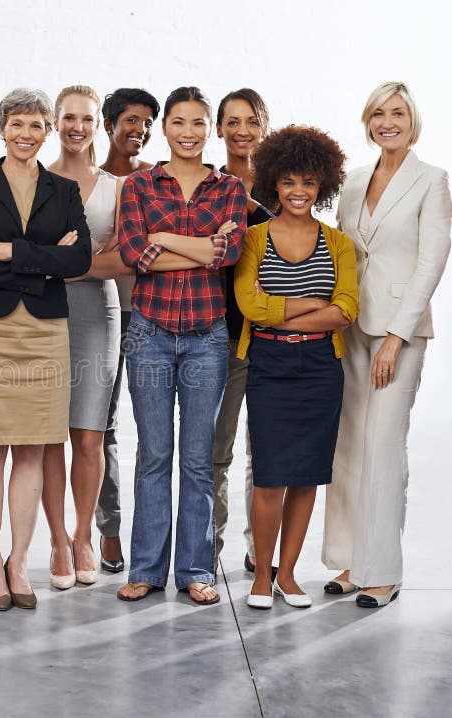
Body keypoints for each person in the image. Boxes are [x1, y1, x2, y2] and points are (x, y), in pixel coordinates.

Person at [0, 88, 91, 611]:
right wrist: (41, 260)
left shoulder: (63, 188)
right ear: (2, 127)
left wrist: (11, 252)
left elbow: (78, 259)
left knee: (33, 448)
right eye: (17, 124)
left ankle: (19, 561)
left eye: (37, 125)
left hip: (45, 334)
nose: (26, 134)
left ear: (47, 131)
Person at [322, 82, 452, 608]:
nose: (387, 122)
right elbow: (340, 251)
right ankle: (353, 561)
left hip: (399, 332)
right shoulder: (353, 182)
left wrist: (397, 336)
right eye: (378, 113)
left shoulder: (432, 181)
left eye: (397, 113)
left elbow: (431, 262)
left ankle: (385, 571)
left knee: (382, 446)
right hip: (351, 325)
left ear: (412, 119)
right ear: (367, 121)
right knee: (349, 446)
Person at [116, 86, 246, 605]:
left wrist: (164, 239)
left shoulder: (229, 188)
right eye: (178, 122)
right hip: (149, 333)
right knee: (153, 455)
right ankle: (145, 568)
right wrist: (196, 247)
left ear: (209, 130)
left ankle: (196, 569)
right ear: (165, 128)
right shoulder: (139, 185)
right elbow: (132, 253)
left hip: (206, 337)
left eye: (198, 123)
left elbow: (229, 253)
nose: (188, 132)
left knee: (197, 459)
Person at [235, 125, 358, 609]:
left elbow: (347, 308)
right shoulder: (252, 238)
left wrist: (287, 306)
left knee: (306, 475)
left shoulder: (338, 243)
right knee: (268, 476)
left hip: (320, 367)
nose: (299, 192)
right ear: (273, 185)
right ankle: (261, 577)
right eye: (288, 182)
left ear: (322, 184)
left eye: (308, 182)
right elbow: (249, 305)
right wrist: (311, 303)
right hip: (268, 362)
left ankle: (288, 575)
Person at [42, 85, 134, 589]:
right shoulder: (34, 180)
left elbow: (123, 260)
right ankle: (57, 539)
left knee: (90, 434)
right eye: (68, 116)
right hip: (42, 318)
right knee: (50, 435)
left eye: (86, 118)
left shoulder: (117, 187)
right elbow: (24, 257)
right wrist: (79, 264)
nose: (77, 126)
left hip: (100, 313)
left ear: (99, 124)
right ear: (56, 121)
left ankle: (82, 537)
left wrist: (63, 266)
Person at [95, 88, 160, 573]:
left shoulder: (156, 181)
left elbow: (150, 252)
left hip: (150, 315)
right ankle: (110, 530)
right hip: (100, 314)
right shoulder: (89, 182)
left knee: (155, 433)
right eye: (132, 120)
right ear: (108, 123)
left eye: (148, 122)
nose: (140, 129)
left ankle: (153, 539)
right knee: (102, 426)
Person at [211, 89, 274, 573]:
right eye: (231, 122)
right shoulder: (208, 184)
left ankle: (260, 550)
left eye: (250, 121)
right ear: (219, 130)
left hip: (274, 334)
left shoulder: (284, 186)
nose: (241, 131)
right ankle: (207, 549)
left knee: (266, 451)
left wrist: (251, 205)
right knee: (217, 450)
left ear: (264, 127)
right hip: (224, 333)